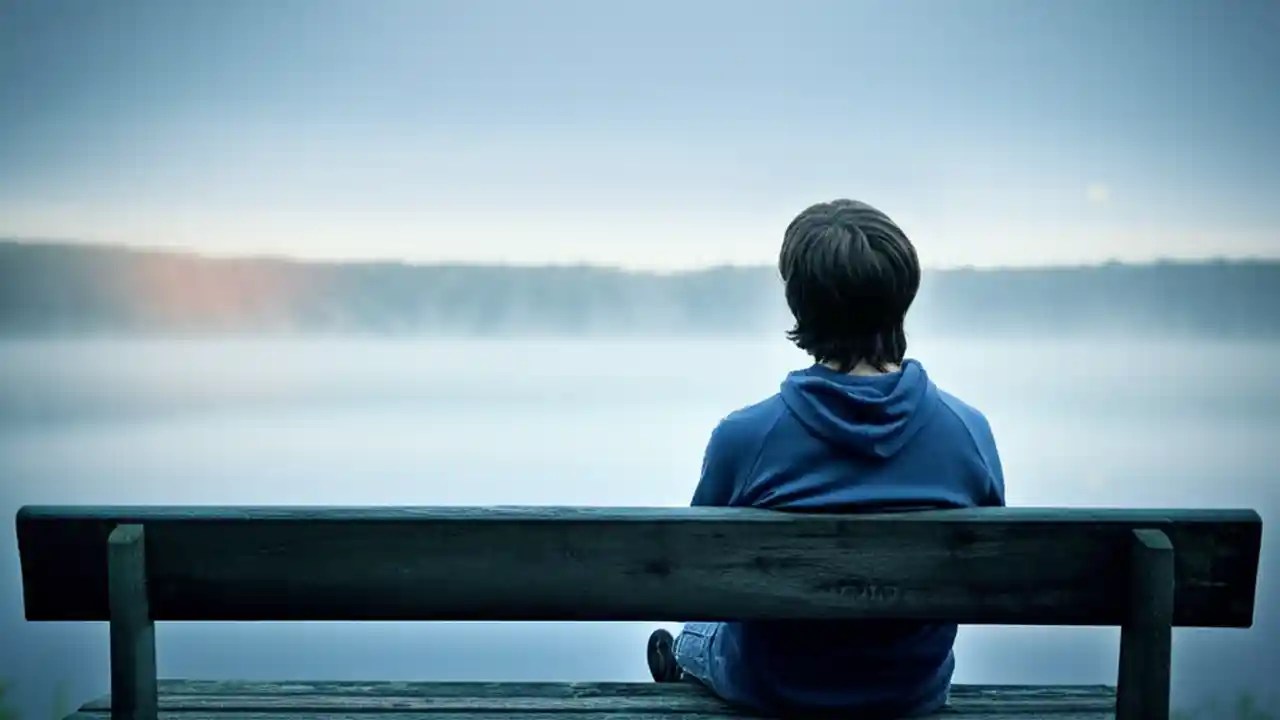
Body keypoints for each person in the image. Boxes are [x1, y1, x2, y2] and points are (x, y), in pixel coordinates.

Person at [646, 199, 1006, 718]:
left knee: (698, 633)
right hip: (911, 692)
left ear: (799, 303)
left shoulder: (746, 437)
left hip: (774, 689)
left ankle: (680, 661)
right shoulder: (967, 431)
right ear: (903, 294)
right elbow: (988, 570)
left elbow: (694, 579)